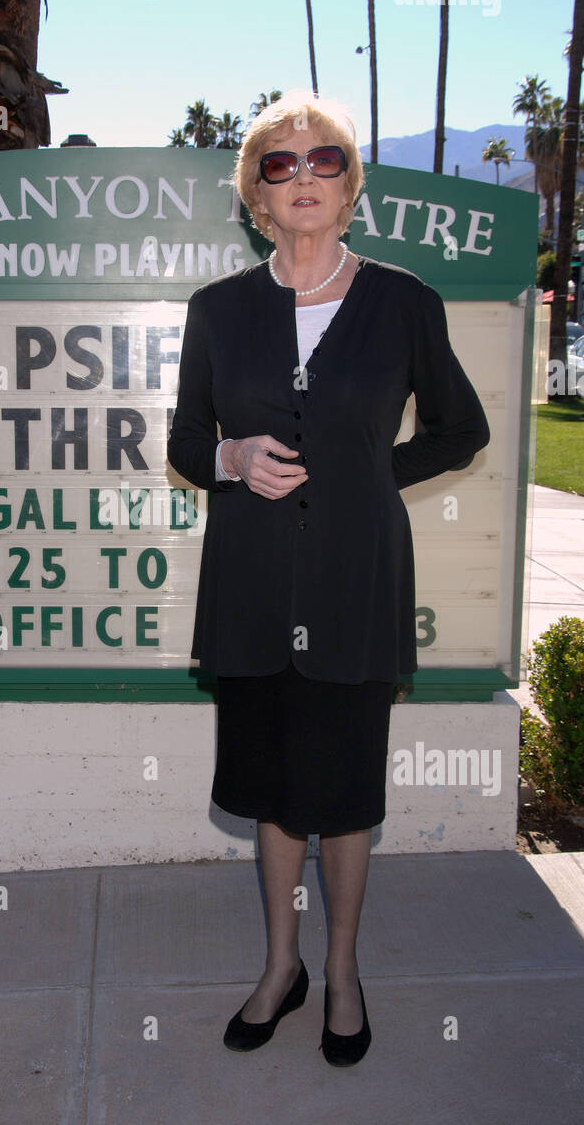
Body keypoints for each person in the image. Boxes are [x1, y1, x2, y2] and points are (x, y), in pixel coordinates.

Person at [166, 91, 490, 1065]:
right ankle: (280, 967)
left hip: (356, 581)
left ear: (350, 185)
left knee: (342, 793)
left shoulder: (403, 303)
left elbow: (458, 429)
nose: (301, 175)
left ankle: (341, 972)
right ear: (254, 196)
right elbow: (185, 439)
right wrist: (230, 460)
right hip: (252, 583)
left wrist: (362, 474)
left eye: (323, 159)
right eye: (278, 164)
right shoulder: (216, 310)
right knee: (271, 792)